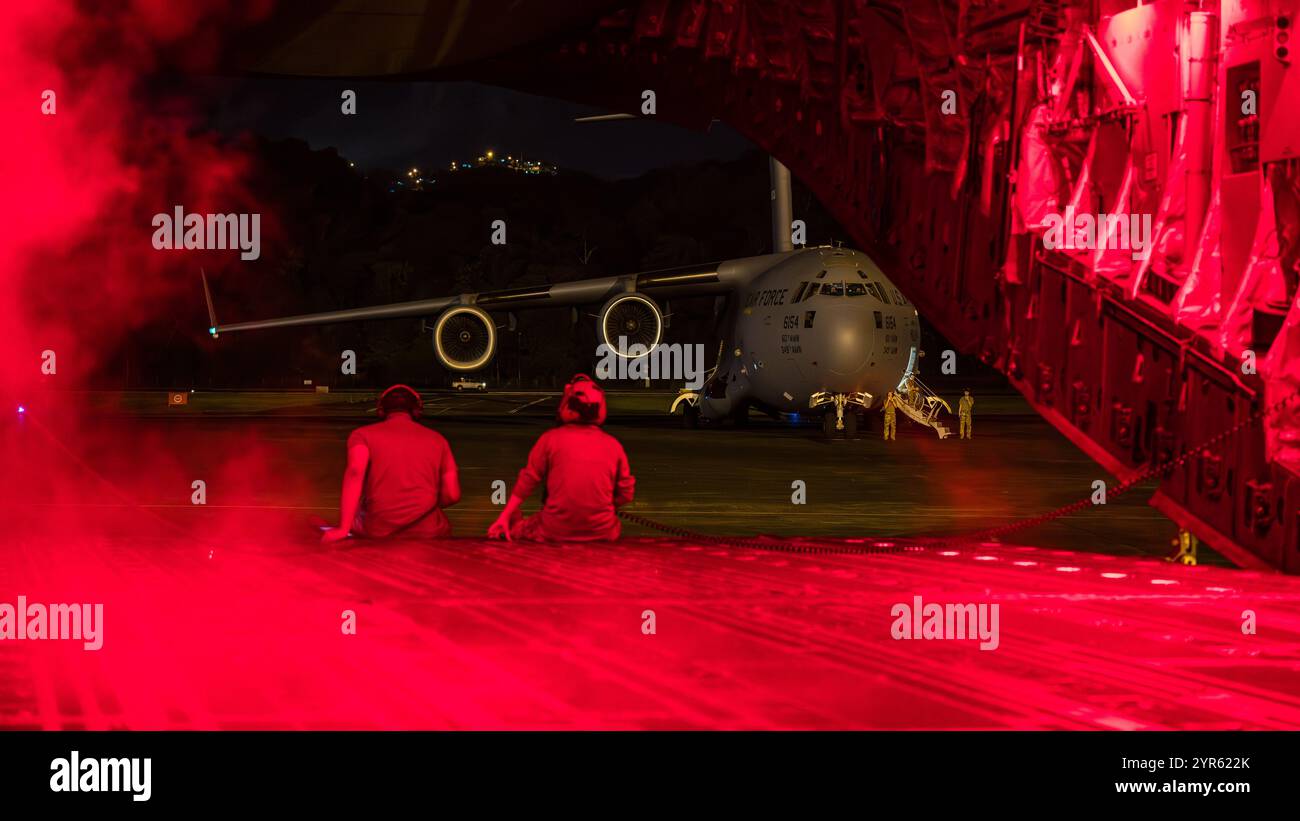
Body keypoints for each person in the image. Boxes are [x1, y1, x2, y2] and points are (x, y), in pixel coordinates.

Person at [488, 374, 635, 542]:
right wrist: (600, 507)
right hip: (603, 532)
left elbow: (528, 480)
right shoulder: (613, 445)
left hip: (554, 530)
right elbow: (627, 493)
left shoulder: (550, 439)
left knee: (516, 518)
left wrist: (505, 516)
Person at [321, 384, 460, 544]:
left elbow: (355, 472)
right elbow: (452, 494)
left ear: (381, 409)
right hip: (428, 531)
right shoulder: (438, 440)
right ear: (417, 410)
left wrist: (343, 528)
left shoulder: (362, 435)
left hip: (379, 530)